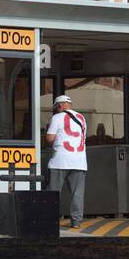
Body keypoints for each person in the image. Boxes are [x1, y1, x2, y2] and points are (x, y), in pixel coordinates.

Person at [45, 93, 88, 229]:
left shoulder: (57, 118)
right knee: (77, 193)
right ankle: (76, 222)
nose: (56, 109)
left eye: (56, 107)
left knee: (54, 192)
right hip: (79, 161)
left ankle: (51, 220)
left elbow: (50, 138)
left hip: (60, 160)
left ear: (59, 105)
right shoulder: (81, 118)